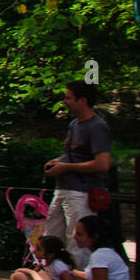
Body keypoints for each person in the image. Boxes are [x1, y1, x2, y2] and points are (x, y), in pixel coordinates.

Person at [43, 80, 111, 268]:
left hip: (82, 192)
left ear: (82, 100)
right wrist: (58, 162)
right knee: (50, 237)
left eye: (68, 98)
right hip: (63, 189)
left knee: (76, 241)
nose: (65, 102)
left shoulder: (96, 126)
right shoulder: (74, 124)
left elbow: (102, 163)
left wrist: (67, 167)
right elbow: (74, 155)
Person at [64, 214, 132, 280]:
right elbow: (92, 275)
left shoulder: (100, 256)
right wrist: (68, 271)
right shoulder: (102, 253)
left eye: (79, 234)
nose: (74, 237)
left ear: (95, 237)